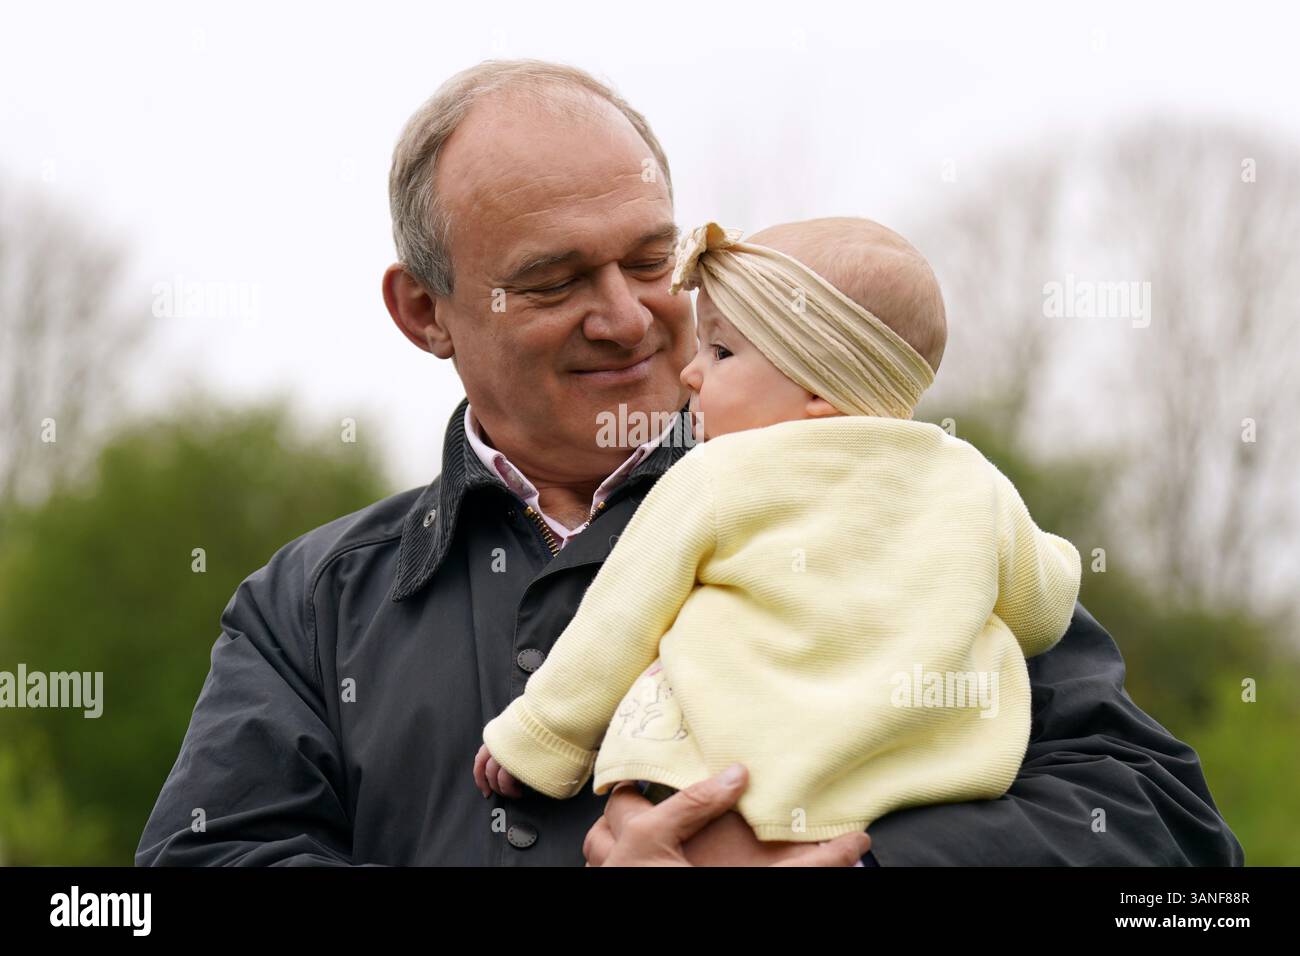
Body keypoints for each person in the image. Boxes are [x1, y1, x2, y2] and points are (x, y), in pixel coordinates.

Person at [135, 59, 1244, 867]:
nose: (629, 318)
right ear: (425, 311)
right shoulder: (309, 606)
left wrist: (847, 868)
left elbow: (1168, 835)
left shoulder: (905, 502)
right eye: (558, 278)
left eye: (651, 258)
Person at [474, 216, 1081, 846]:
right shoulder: (970, 480)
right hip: (921, 809)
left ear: (820, 388)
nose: (691, 372)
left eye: (723, 352)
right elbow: (1040, 617)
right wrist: (1058, 558)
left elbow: (619, 621)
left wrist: (542, 735)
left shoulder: (716, 474)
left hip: (730, 801)